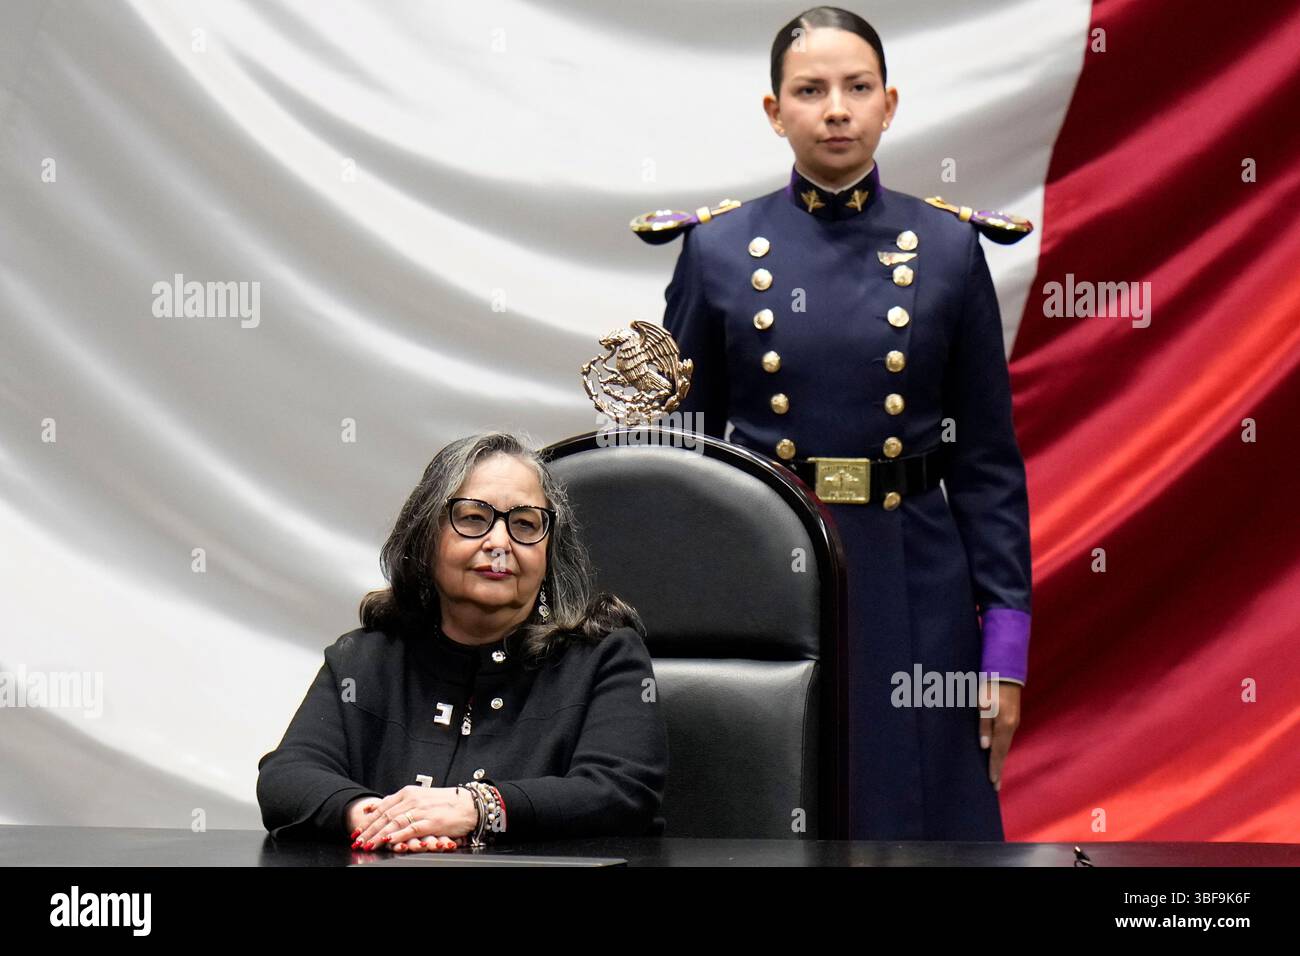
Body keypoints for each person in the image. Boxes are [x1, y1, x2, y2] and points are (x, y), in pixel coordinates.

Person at [638, 6, 1031, 840]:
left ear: (890, 103)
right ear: (775, 112)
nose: (837, 109)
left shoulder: (949, 249)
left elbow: (989, 465)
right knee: (772, 806)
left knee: (920, 817)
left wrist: (1005, 651)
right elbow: (682, 468)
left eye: (857, 88)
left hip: (914, 575)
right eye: (810, 90)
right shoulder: (716, 251)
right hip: (768, 575)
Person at [256, 432, 669, 851]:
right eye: (473, 518)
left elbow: (621, 791)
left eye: (525, 524)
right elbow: (286, 775)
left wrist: (477, 808)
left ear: (549, 552)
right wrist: (375, 819)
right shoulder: (363, 659)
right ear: (425, 537)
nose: (500, 543)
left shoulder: (604, 658)